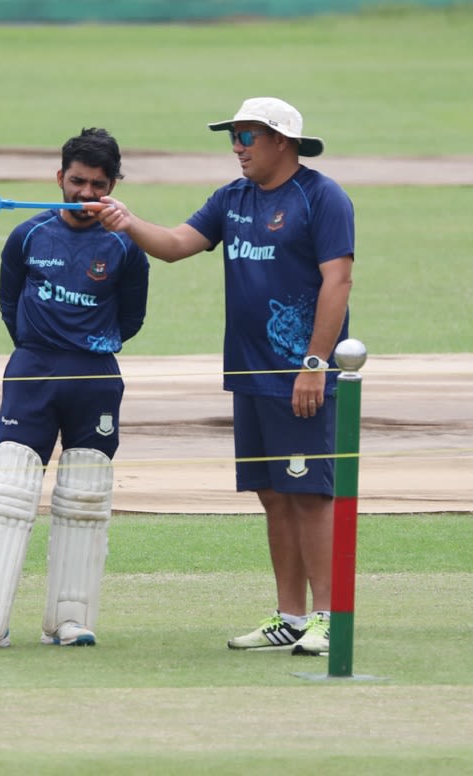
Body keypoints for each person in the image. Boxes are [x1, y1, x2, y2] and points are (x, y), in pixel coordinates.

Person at [98, 97, 354, 656]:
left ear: (279, 139)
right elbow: (174, 246)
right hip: (248, 374)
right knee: (272, 494)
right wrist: (126, 219)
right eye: (233, 137)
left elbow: (337, 282)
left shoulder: (322, 197)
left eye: (245, 137)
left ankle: (332, 617)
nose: (236, 147)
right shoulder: (231, 200)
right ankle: (290, 616)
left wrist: (315, 363)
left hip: (300, 376)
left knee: (310, 495)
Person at [0, 127, 149, 649]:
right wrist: (42, 346)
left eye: (98, 185)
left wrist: (83, 345)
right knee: (9, 488)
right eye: (77, 182)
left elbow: (131, 319)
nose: (86, 195)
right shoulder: (28, 234)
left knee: (85, 494)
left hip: (96, 376)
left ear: (114, 185)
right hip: (32, 373)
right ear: (59, 178)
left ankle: (69, 618)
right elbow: (9, 305)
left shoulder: (126, 245)